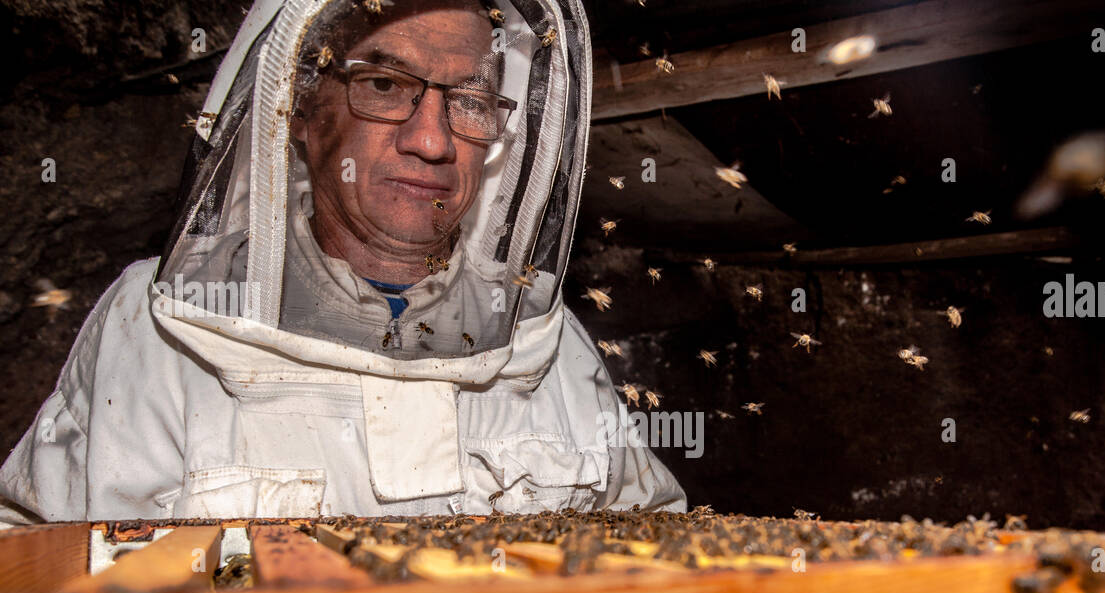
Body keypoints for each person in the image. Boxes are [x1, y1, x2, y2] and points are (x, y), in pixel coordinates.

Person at [0, 0, 686, 523]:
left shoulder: (547, 339)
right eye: (385, 84)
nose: (432, 140)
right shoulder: (154, 331)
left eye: (470, 101)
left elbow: (656, 545)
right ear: (299, 106)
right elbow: (34, 579)